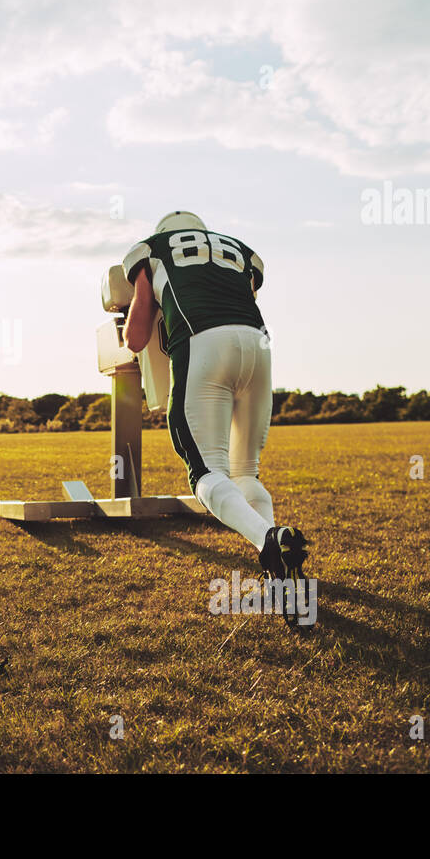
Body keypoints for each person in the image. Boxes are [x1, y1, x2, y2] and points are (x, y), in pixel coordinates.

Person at [121, 210, 308, 582]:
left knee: (206, 471)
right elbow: (243, 297)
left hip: (203, 343)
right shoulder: (239, 250)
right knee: (246, 471)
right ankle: (279, 572)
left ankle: (268, 540)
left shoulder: (151, 249)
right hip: (258, 346)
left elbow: (136, 338)